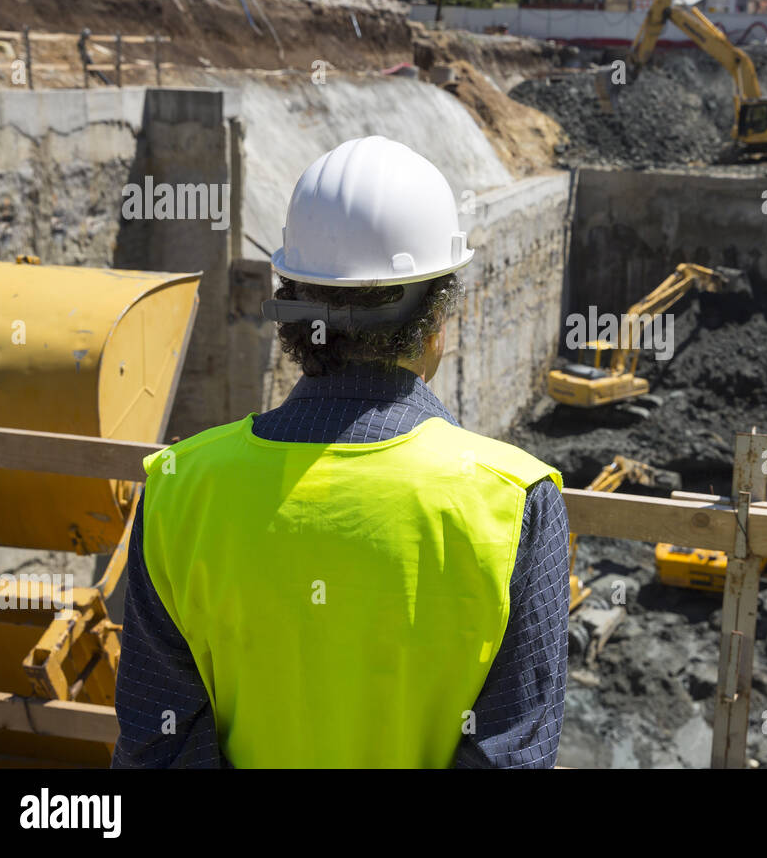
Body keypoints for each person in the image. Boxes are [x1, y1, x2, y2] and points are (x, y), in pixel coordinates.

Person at [113, 136, 569, 768]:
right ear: (438, 315)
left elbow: (157, 745)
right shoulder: (515, 501)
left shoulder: (178, 488)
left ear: (292, 313)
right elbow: (512, 754)